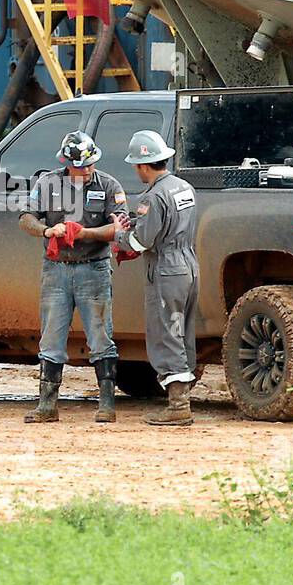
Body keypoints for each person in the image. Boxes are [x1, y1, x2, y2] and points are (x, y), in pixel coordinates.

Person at [18, 131, 127, 423]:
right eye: (81, 166)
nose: (87, 170)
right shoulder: (47, 183)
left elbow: (118, 227)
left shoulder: (109, 186)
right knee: (51, 338)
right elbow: (25, 217)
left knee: (101, 336)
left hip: (94, 269)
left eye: (91, 164)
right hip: (56, 271)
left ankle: (106, 404)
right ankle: (47, 405)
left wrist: (84, 233)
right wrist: (46, 231)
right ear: (67, 163)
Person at [114, 129, 199, 426]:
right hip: (188, 263)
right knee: (182, 330)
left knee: (166, 333)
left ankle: (178, 406)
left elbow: (142, 242)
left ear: (143, 165)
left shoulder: (153, 195)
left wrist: (120, 234)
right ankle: (182, 398)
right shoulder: (182, 187)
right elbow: (170, 224)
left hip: (166, 269)